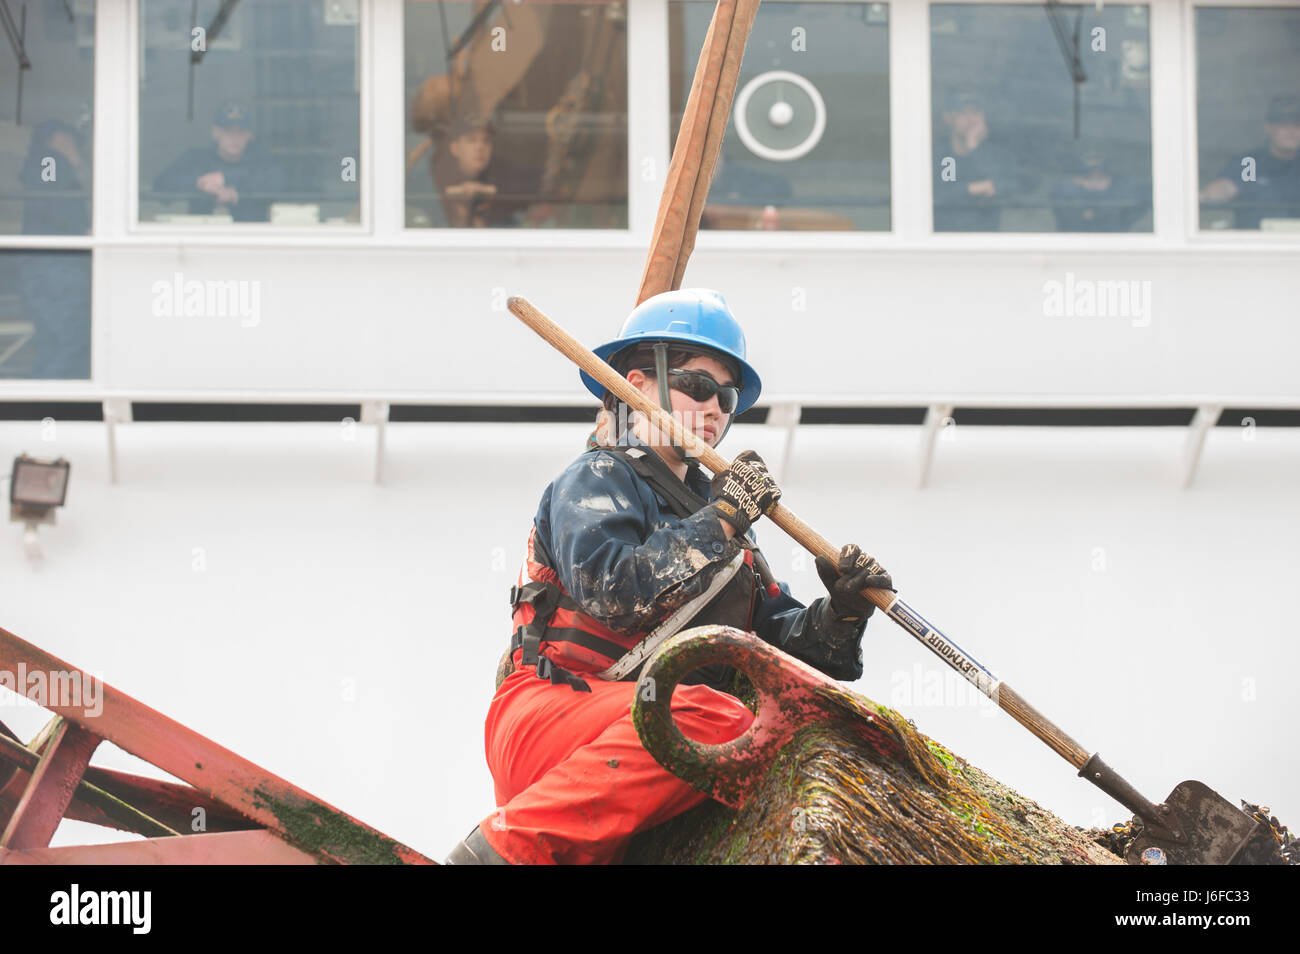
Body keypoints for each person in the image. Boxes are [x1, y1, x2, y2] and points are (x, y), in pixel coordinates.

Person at [445, 288, 895, 865]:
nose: (714, 410)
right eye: (698, 386)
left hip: (641, 730)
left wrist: (842, 613)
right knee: (716, 720)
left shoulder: (724, 529)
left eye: (727, 398)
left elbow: (778, 654)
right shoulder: (596, 478)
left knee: (767, 726)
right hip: (552, 711)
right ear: (639, 382)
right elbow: (615, 593)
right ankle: (492, 855)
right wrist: (725, 519)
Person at [151, 101, 285, 222]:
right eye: (228, 132)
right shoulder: (196, 158)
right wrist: (199, 184)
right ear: (215, 133)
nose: (235, 138)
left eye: (240, 132)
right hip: (202, 237)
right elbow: (160, 186)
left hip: (249, 238)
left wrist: (227, 180)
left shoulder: (261, 160)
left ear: (249, 135)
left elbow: (279, 184)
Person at [1199, 95, 1300, 230]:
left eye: (1297, 124)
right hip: (1256, 245)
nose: (1291, 131)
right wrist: (1206, 195)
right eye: (1283, 124)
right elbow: (1227, 187)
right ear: (1269, 128)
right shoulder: (1251, 164)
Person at [932, 90, 1022, 232]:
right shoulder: (943, 156)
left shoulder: (997, 155)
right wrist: (971, 189)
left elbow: (1012, 186)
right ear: (948, 118)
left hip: (986, 240)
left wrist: (975, 147)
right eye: (962, 113)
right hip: (945, 239)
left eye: (976, 112)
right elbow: (941, 194)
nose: (971, 119)